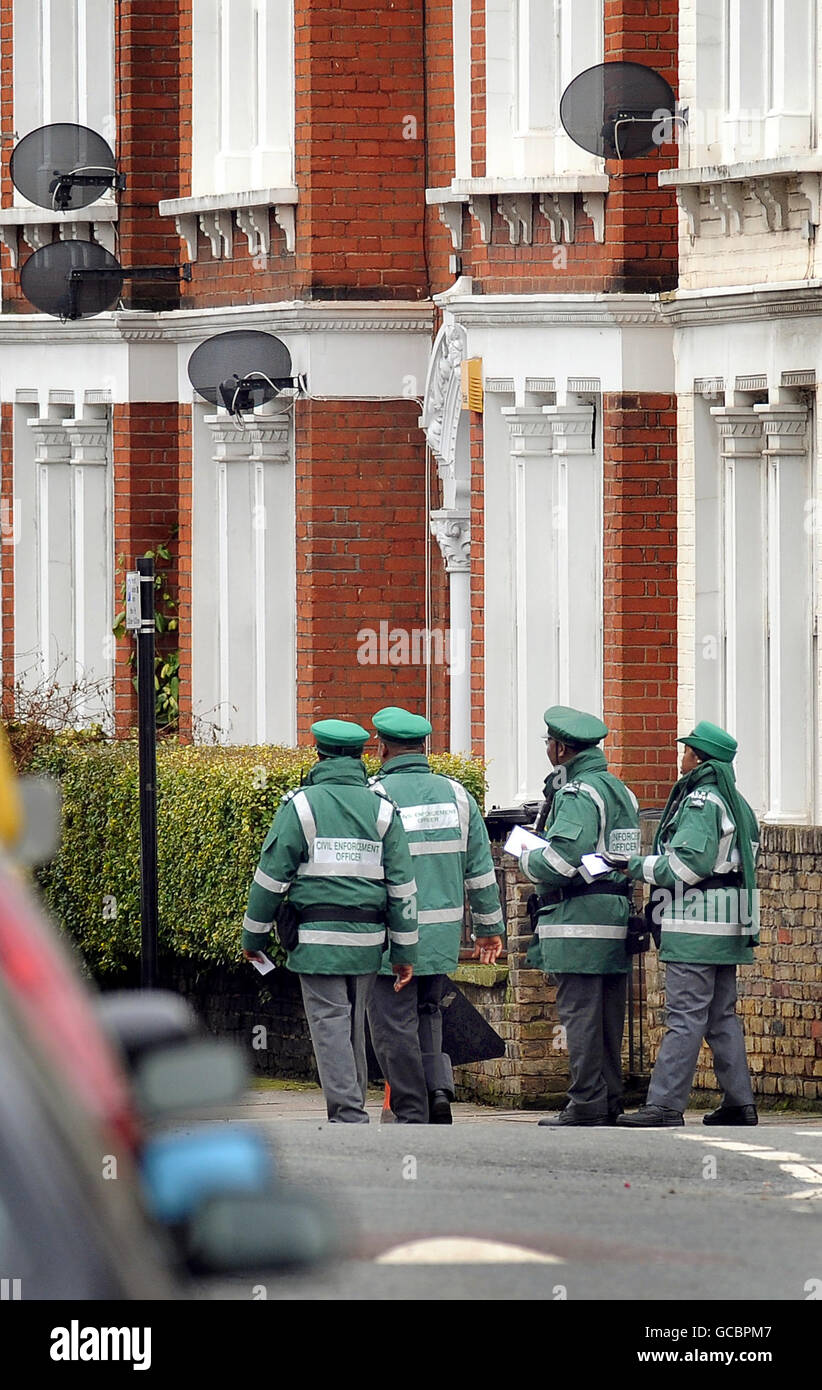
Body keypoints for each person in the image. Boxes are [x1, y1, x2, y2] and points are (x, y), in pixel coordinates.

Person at [241, 718, 418, 1124]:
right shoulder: (383, 809)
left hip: (316, 939)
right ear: (360, 757)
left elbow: (270, 878)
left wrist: (254, 935)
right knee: (352, 1026)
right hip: (368, 939)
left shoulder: (301, 805)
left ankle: (348, 1114)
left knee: (329, 1025)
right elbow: (402, 886)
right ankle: (352, 1106)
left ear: (319, 755)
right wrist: (404, 950)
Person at [610, 720, 760, 1128]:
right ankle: (739, 1103)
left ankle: (664, 1105)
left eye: (687, 751)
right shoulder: (738, 803)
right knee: (721, 1016)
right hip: (730, 924)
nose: (681, 757)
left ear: (699, 759)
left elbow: (686, 865)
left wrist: (635, 865)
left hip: (697, 925)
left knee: (685, 1016)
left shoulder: (701, 802)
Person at [365, 706, 504, 1124]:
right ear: (424, 747)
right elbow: (481, 870)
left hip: (392, 936)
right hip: (441, 935)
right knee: (429, 1012)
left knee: (393, 1025)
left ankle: (412, 1109)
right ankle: (439, 1090)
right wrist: (489, 929)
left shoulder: (373, 796)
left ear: (381, 747)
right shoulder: (458, 795)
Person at [519, 706, 640, 1127]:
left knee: (580, 1017)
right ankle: (608, 1099)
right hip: (614, 915)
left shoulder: (578, 793)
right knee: (608, 1018)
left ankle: (586, 1102)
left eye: (549, 743)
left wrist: (526, 858)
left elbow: (562, 859)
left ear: (561, 747)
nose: (548, 749)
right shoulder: (619, 790)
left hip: (578, 918)